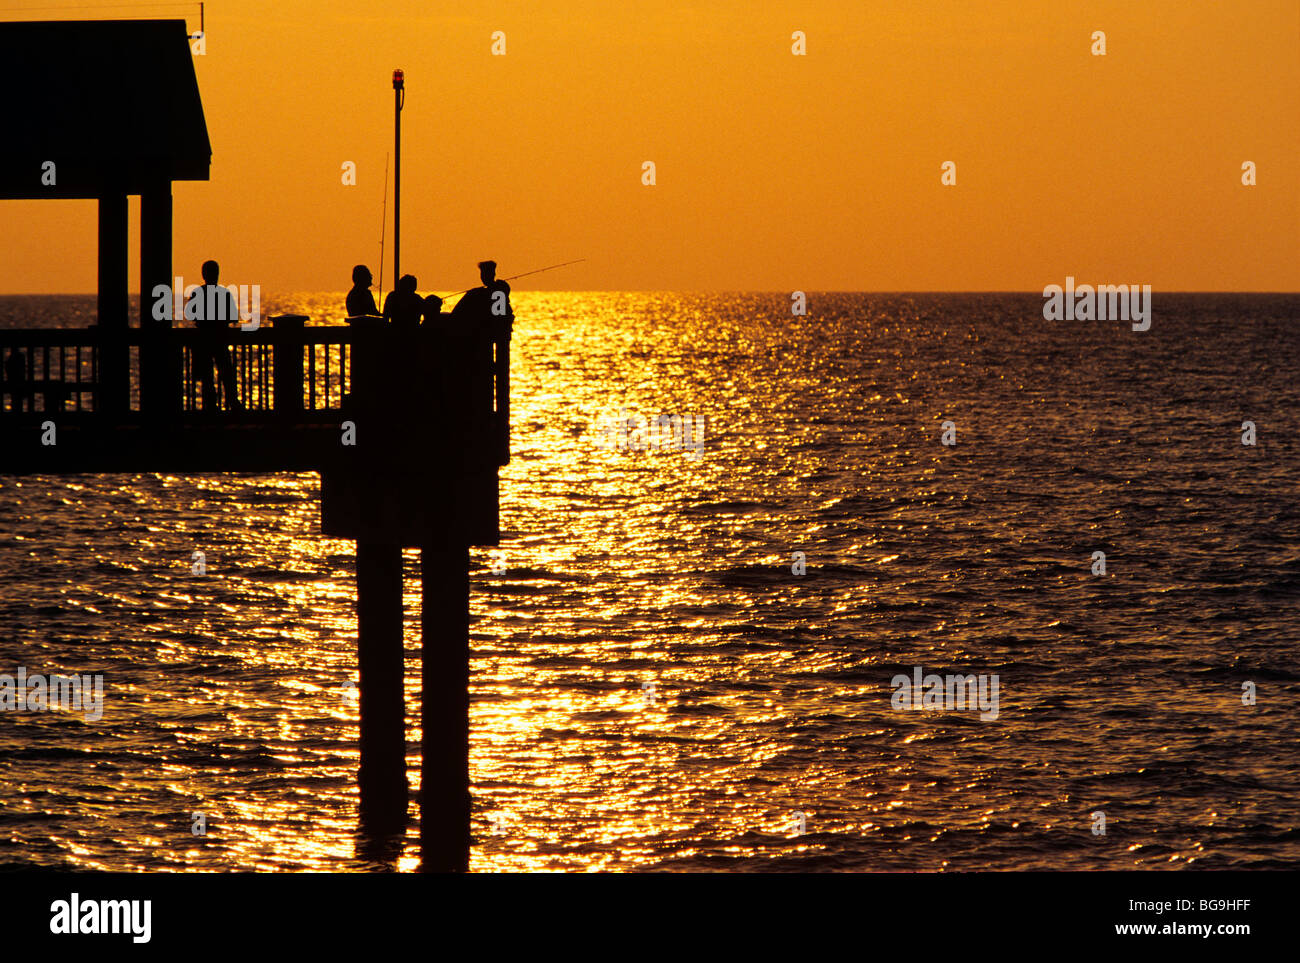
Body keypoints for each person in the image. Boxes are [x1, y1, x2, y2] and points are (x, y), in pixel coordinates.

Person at [186, 260, 242, 410]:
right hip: (220, 339)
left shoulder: (197, 293)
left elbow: (190, 315)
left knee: (207, 376)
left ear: (203, 275)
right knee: (226, 374)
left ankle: (211, 406)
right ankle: (232, 402)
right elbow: (233, 316)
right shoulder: (224, 293)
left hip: (204, 340)